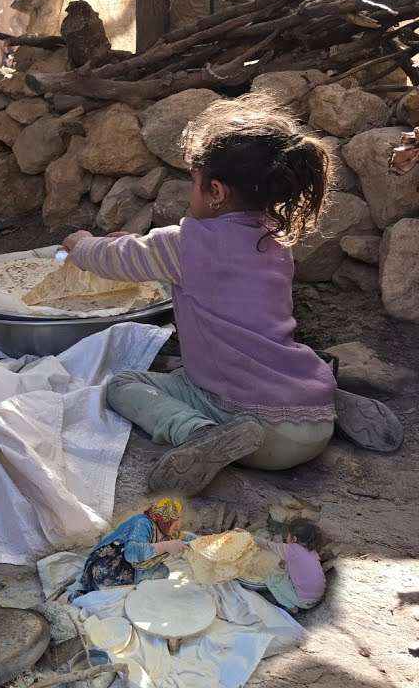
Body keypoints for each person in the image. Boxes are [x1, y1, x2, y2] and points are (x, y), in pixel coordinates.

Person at [62, 93, 337, 497]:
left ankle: (199, 434)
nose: (190, 191)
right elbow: (175, 263)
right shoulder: (274, 241)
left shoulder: (186, 243)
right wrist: (134, 245)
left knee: (124, 384)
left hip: (261, 438)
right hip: (314, 421)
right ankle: (337, 402)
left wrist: (83, 245)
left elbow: (117, 260)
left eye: (193, 182)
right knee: (264, 364)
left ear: (216, 192)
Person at [78, 498, 197, 593]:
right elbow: (131, 553)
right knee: (159, 576)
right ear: (166, 517)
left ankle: (132, 588)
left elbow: (185, 538)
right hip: (109, 566)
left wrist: (203, 542)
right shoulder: (142, 523)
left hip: (133, 567)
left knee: (163, 572)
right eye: (177, 518)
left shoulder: (165, 530)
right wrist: (166, 546)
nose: (179, 524)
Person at [238, 518, 326, 613]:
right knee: (284, 570)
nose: (287, 536)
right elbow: (300, 565)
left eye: (288, 534)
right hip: (318, 595)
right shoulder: (312, 550)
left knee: (270, 578)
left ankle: (291, 607)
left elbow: (267, 545)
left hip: (304, 601)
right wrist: (286, 563)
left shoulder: (289, 549)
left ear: (294, 539)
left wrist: (246, 535)